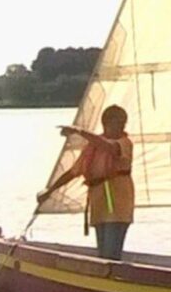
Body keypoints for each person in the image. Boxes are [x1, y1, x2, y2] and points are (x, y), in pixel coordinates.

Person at [37, 105, 134, 260]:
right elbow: (73, 172)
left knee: (110, 255)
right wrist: (50, 190)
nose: (122, 127)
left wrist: (78, 131)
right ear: (106, 124)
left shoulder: (124, 143)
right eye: (118, 123)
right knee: (103, 255)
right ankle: (103, 282)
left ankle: (110, 281)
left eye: (124, 123)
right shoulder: (93, 147)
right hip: (99, 205)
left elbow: (109, 147)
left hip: (118, 208)